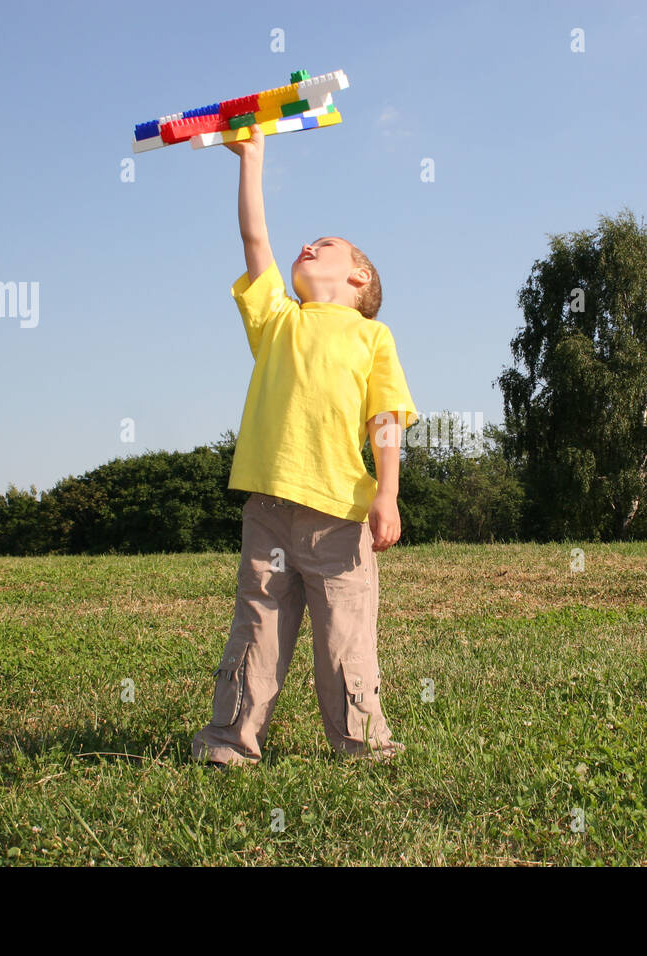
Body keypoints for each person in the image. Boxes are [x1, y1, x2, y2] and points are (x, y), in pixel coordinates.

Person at [191, 124, 418, 767]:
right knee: (256, 627)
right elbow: (254, 239)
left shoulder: (372, 337)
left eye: (327, 244)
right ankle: (229, 742)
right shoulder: (279, 319)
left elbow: (385, 419)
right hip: (267, 508)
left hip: (339, 516)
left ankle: (362, 744)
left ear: (358, 277)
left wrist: (387, 495)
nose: (309, 245)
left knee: (345, 637)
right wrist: (252, 158)